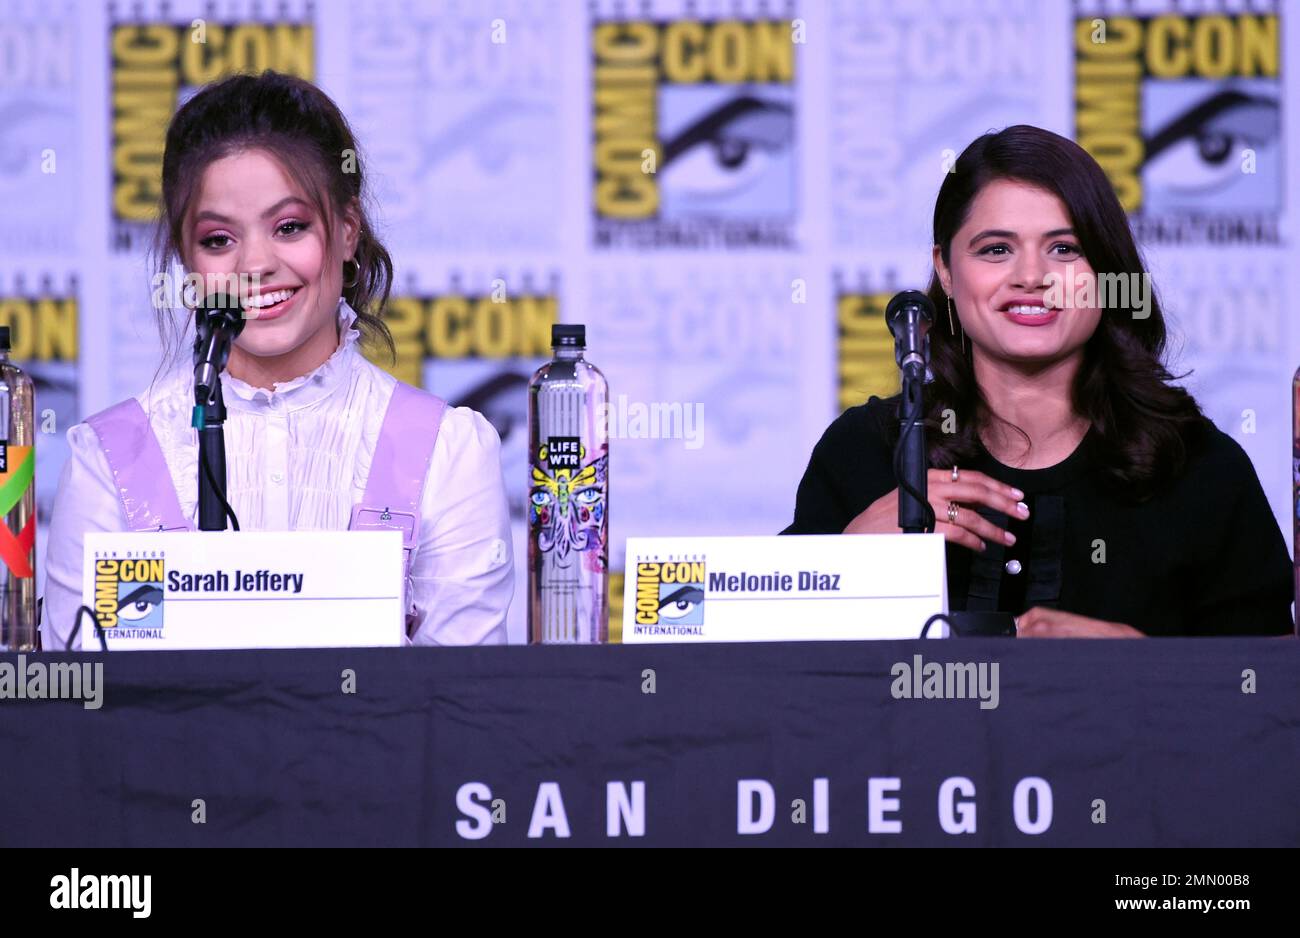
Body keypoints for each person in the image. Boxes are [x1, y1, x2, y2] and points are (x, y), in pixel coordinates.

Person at [41, 71, 513, 649]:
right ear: (186, 259)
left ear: (346, 231)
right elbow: (78, 716)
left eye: (289, 227)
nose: (255, 264)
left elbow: (460, 714)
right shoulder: (107, 462)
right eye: (218, 239)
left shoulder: (449, 451)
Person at [784, 125, 1293, 638]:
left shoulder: (1200, 469)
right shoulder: (864, 453)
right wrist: (842, 564)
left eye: (1065, 250)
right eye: (995, 250)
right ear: (946, 271)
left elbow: (1265, 697)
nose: (1032, 276)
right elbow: (758, 676)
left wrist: (1143, 664)